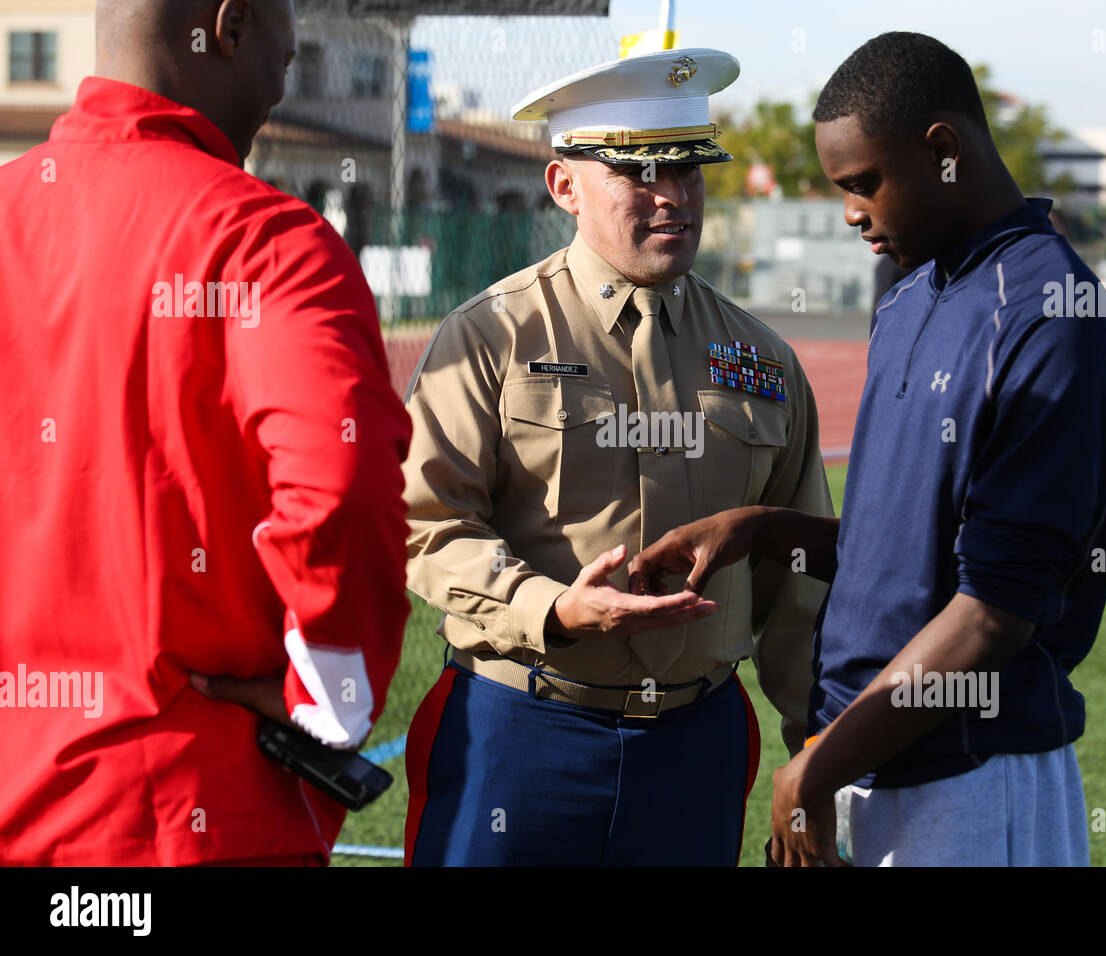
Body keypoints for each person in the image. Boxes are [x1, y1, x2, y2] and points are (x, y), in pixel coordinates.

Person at [632, 31, 1106, 867]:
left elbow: (992, 616)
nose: (851, 212)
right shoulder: (912, 295)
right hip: (861, 755)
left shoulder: (1052, 318)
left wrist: (810, 776)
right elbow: (904, 557)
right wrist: (760, 529)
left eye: (863, 183)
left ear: (942, 152)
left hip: (971, 774)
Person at [0, 0, 412, 865]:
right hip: (180, 813)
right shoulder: (264, 236)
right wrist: (328, 694)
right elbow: (337, 484)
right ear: (229, 28)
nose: (276, 89)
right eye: (285, 61)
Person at [401, 47, 832, 866]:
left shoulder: (763, 359)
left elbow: (799, 572)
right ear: (564, 186)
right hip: (521, 733)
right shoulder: (490, 335)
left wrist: (816, 740)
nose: (672, 197)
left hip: (695, 747)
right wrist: (551, 610)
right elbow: (425, 524)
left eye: (690, 171)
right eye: (639, 173)